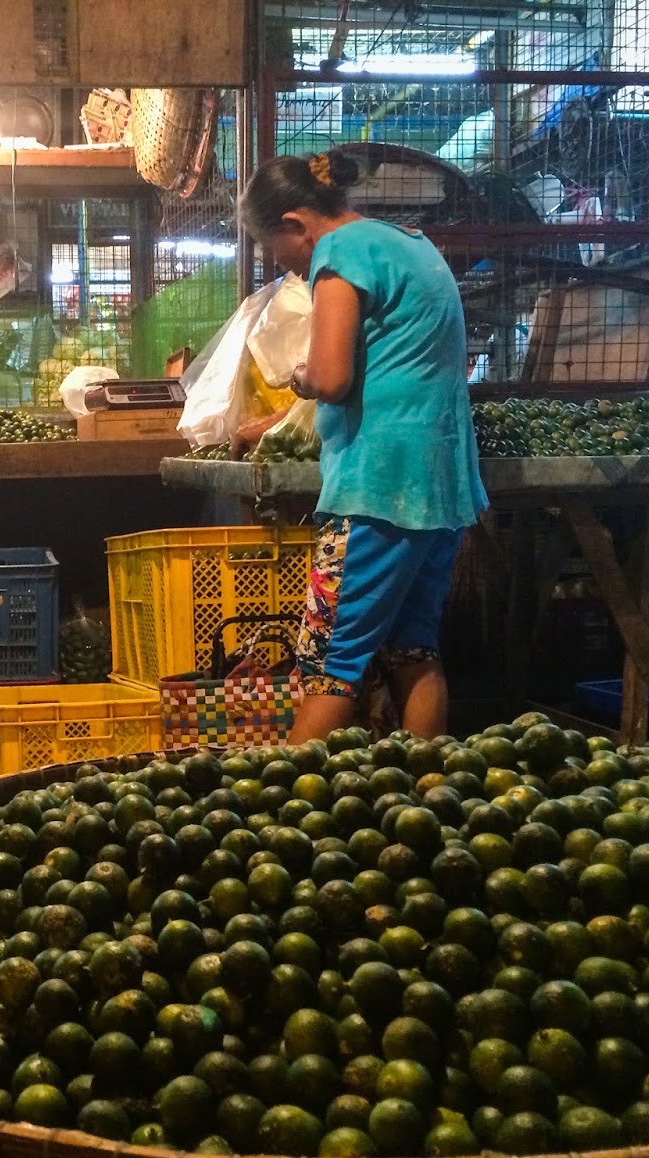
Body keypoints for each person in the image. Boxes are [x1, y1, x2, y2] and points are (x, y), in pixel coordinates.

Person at [235, 149, 488, 742]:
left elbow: (331, 378)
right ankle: (429, 794)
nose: (285, 265)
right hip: (441, 486)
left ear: (296, 224)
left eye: (276, 247)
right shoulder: (410, 243)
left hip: (377, 489)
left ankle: (280, 813)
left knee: (329, 662)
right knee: (412, 650)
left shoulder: (341, 253)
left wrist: (295, 375)